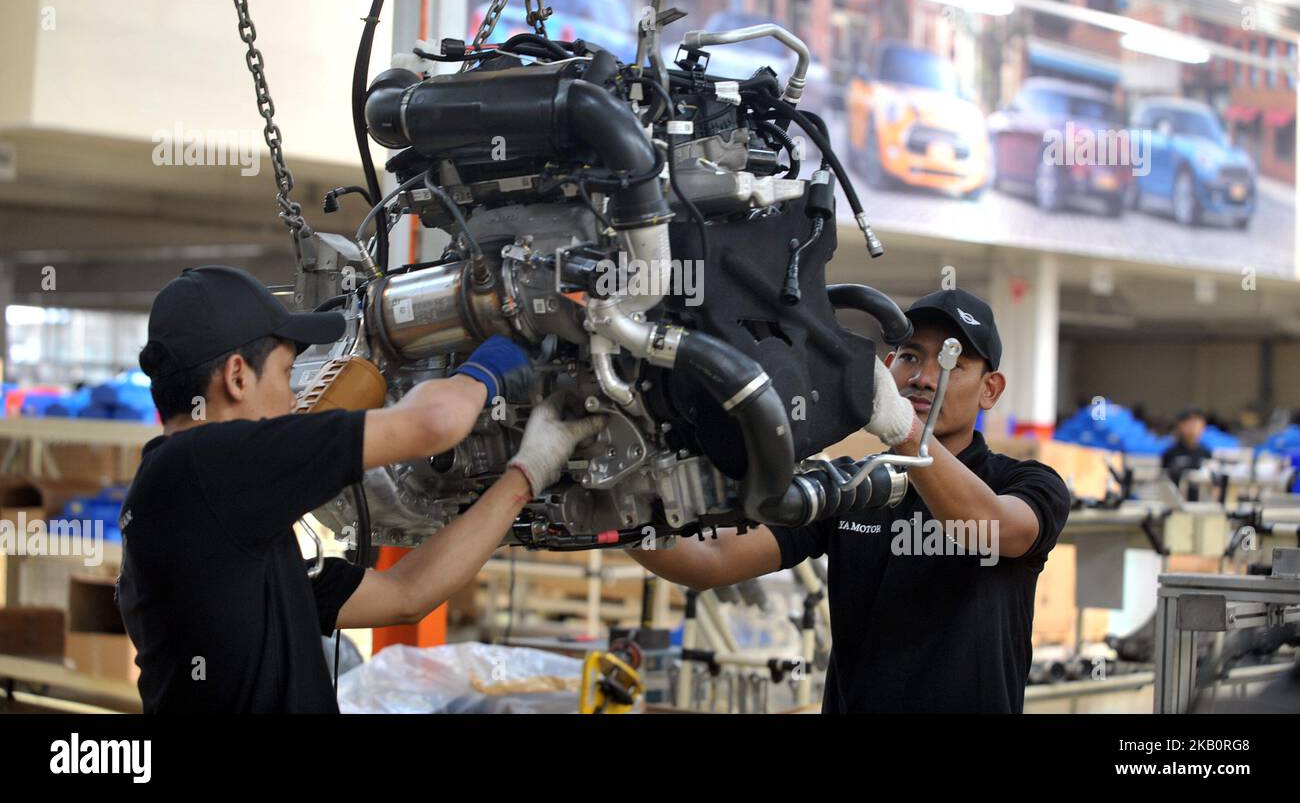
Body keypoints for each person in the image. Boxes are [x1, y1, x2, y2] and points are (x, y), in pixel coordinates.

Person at [116, 265, 604, 712]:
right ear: (237, 376)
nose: (292, 398)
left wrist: (527, 473)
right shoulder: (203, 464)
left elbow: (405, 594)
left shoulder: (217, 524)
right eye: (286, 375)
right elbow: (433, 422)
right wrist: (493, 362)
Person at [629, 287, 1071, 712]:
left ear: (990, 389)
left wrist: (905, 431)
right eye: (911, 357)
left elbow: (989, 531)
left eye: (952, 364)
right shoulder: (853, 484)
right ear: (887, 368)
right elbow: (710, 559)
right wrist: (618, 510)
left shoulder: (1027, 483)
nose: (923, 378)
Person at [1161, 405, 1213, 495]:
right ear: (1180, 425)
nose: (1194, 426)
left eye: (1197, 422)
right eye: (1190, 422)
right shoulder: (1170, 453)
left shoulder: (1206, 452)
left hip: (1200, 501)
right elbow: (1164, 482)